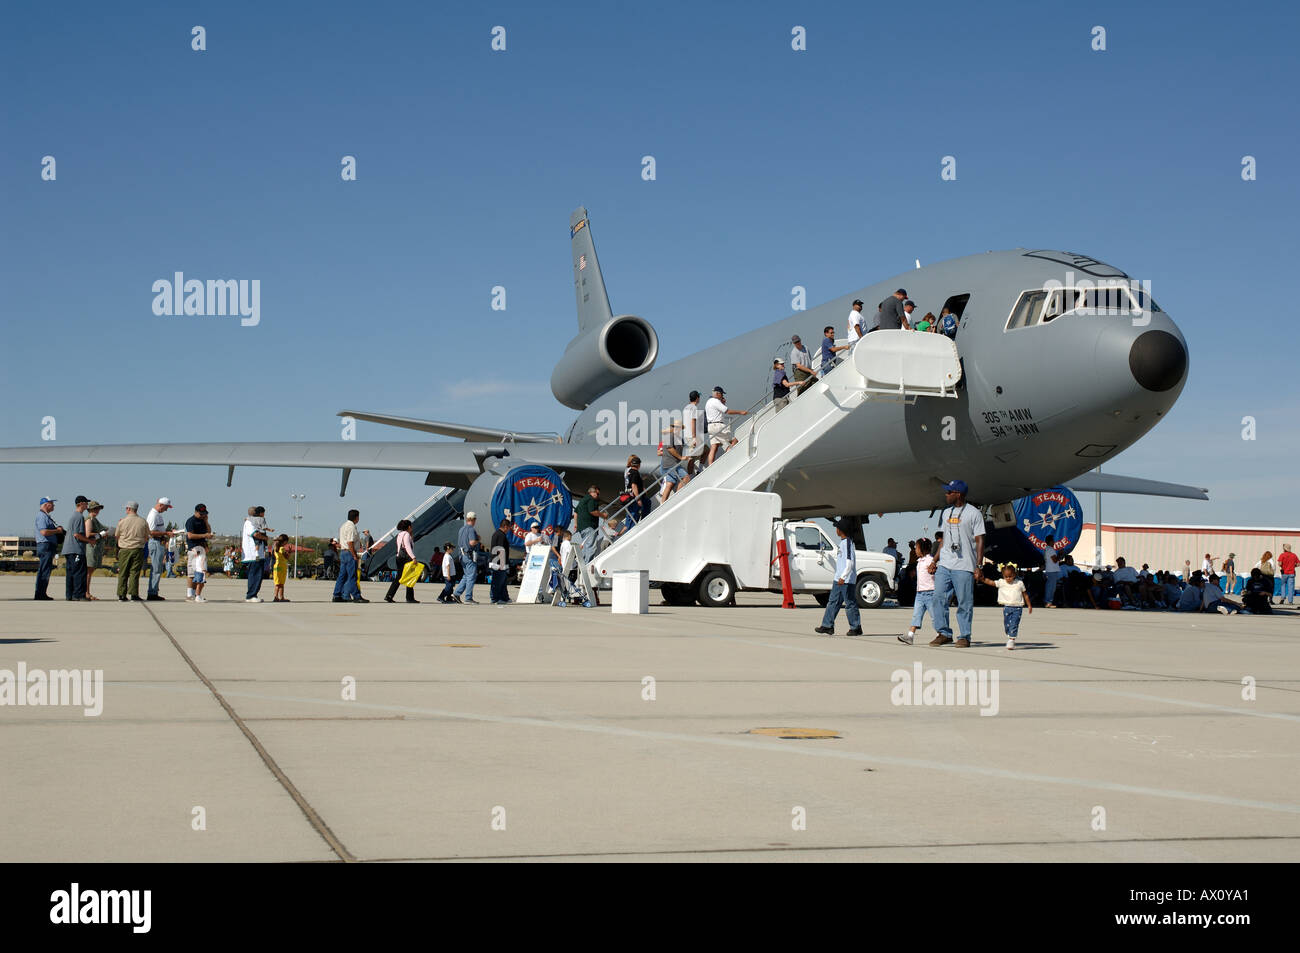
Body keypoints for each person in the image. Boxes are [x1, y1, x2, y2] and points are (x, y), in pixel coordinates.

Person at [929, 480, 985, 647]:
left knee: (964, 602)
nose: (946, 494)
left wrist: (979, 565)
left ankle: (964, 636)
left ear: (958, 494)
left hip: (964, 564)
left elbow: (980, 539)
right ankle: (943, 633)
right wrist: (934, 560)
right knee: (938, 597)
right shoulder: (946, 513)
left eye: (949, 492)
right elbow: (944, 540)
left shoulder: (974, 513)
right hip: (945, 563)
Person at [813, 521, 863, 637]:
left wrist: (843, 577)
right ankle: (827, 626)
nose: (836, 530)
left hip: (846, 580)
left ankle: (856, 627)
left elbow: (850, 562)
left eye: (837, 528)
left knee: (850, 603)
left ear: (841, 530)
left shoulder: (849, 543)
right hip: (838, 579)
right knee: (833, 602)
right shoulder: (842, 543)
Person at [980, 564, 1032, 650]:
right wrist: (982, 579)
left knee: (1014, 624)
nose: (1008, 578)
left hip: (1017, 608)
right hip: (1007, 607)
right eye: (1006, 576)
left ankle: (1011, 640)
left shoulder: (1019, 583)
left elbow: (1025, 595)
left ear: (1014, 575)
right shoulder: (1001, 582)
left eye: (1010, 576)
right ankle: (1010, 634)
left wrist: (1029, 605)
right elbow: (991, 582)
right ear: (1003, 576)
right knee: (1007, 625)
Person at [899, 538, 936, 644]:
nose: (915, 550)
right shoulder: (919, 561)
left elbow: (935, 572)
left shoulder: (930, 560)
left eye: (917, 547)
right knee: (916, 615)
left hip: (930, 593)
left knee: (935, 616)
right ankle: (910, 636)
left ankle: (942, 634)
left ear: (923, 549)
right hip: (920, 593)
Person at [115, 502, 150, 602]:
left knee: (123, 572)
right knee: (134, 572)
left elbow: (117, 535)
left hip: (124, 549)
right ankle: (134, 594)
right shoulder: (142, 521)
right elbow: (147, 536)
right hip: (137, 549)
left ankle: (121, 594)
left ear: (129, 509)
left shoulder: (122, 521)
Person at [61, 495, 93, 601]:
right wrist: (90, 541)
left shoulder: (73, 516)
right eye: (85, 503)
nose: (87, 505)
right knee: (79, 572)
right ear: (80, 504)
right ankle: (78, 595)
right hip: (76, 550)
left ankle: (69, 595)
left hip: (68, 550)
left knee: (70, 573)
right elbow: (77, 535)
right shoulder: (79, 517)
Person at [332, 509, 368, 603]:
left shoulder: (343, 526)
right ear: (356, 517)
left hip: (343, 553)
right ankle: (357, 596)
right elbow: (350, 542)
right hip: (349, 553)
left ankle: (337, 595)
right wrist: (354, 555)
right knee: (352, 576)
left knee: (342, 575)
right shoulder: (351, 527)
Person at [705, 387, 747, 465]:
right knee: (734, 440)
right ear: (717, 393)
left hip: (710, 427)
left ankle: (710, 465)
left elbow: (717, 411)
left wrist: (722, 403)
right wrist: (741, 412)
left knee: (714, 447)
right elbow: (728, 411)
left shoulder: (708, 402)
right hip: (718, 426)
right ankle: (728, 456)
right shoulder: (716, 401)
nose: (722, 396)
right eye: (721, 394)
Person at [33, 496, 63, 601]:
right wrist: (57, 531)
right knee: (44, 570)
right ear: (46, 504)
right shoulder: (42, 516)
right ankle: (40, 594)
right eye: (52, 503)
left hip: (47, 545)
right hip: (45, 545)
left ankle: (41, 593)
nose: (53, 505)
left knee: (44, 570)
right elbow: (44, 532)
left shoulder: (45, 516)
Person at [144, 497, 174, 600]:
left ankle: (154, 591)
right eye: (166, 507)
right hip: (155, 542)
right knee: (156, 569)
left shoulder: (157, 515)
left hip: (159, 542)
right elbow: (151, 532)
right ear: (161, 505)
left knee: (158, 569)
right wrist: (166, 533)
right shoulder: (153, 515)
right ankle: (152, 593)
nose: (166, 510)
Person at [383, 519, 418, 603]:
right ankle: (410, 598)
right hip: (406, 558)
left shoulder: (399, 534)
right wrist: (413, 557)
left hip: (399, 557)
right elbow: (407, 546)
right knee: (409, 577)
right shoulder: (406, 534)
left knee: (399, 577)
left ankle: (389, 595)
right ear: (409, 527)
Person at [185, 504, 213, 603]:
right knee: (192, 573)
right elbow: (190, 536)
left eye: (204, 514)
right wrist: (204, 535)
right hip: (193, 549)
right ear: (196, 512)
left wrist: (206, 521)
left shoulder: (203, 521)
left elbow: (209, 532)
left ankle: (195, 594)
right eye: (201, 514)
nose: (202, 516)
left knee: (200, 572)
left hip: (202, 549)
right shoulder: (191, 521)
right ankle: (189, 594)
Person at [242, 505, 271, 603]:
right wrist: (266, 538)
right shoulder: (249, 522)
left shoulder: (254, 522)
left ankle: (253, 594)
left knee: (258, 575)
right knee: (255, 575)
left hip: (258, 554)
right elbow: (255, 534)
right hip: (253, 554)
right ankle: (251, 595)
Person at [453, 511, 481, 604]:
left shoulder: (461, 529)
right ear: (473, 520)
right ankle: (468, 597)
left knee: (466, 576)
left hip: (462, 555)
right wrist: (478, 539)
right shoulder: (471, 529)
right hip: (469, 555)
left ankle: (456, 593)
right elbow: (472, 542)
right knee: (471, 577)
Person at [83, 501, 109, 600]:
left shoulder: (95, 519)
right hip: (91, 548)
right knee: (88, 571)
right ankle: (86, 592)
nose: (98, 510)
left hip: (95, 548)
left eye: (98, 508)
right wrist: (101, 534)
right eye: (96, 508)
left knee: (90, 571)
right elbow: (88, 534)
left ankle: (87, 592)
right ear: (91, 509)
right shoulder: (89, 520)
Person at [573, 486, 606, 561]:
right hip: (589, 526)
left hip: (582, 528)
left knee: (585, 547)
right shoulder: (591, 499)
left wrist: (576, 524)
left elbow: (575, 513)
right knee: (591, 547)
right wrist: (603, 515)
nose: (597, 496)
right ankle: (588, 564)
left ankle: (582, 564)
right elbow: (592, 511)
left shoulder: (583, 500)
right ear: (592, 492)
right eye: (597, 494)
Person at [658, 424, 689, 502]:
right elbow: (666, 450)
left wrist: (691, 445)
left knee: (669, 484)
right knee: (686, 477)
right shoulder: (669, 437)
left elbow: (684, 446)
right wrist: (680, 457)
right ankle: (676, 500)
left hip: (672, 463)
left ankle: (663, 504)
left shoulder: (679, 438)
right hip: (670, 464)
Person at [681, 390, 708, 474]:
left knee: (692, 456)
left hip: (686, 435)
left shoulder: (686, 407)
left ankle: (692, 475)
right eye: (699, 397)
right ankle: (697, 472)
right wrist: (694, 437)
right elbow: (693, 422)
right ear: (697, 398)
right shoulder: (694, 408)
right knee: (706, 450)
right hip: (692, 436)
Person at [489, 517, 513, 605]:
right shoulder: (501, 535)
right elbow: (500, 550)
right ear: (505, 527)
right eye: (509, 528)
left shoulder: (497, 534)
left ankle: (504, 597)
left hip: (498, 562)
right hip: (498, 562)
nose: (509, 530)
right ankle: (495, 598)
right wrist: (502, 564)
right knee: (498, 581)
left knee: (502, 581)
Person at [623, 455, 647, 522]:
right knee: (634, 514)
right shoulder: (634, 472)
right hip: (634, 494)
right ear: (639, 465)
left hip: (629, 493)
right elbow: (633, 485)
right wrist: (638, 498)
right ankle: (644, 521)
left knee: (631, 514)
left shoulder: (629, 470)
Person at [1042, 534, 1061, 607]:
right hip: (1052, 570)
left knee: (1050, 586)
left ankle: (1048, 601)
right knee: (1051, 587)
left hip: (1050, 570)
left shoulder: (1047, 549)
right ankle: (1048, 602)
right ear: (1050, 542)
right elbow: (1055, 560)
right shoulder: (1050, 549)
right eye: (1053, 541)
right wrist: (1059, 554)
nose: (1054, 542)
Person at [272, 534, 291, 602]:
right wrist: (289, 551)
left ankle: (276, 596)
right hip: (282, 567)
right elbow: (287, 557)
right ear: (285, 541)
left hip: (276, 567)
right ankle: (281, 597)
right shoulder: (282, 548)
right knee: (281, 584)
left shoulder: (275, 548)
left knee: (277, 583)